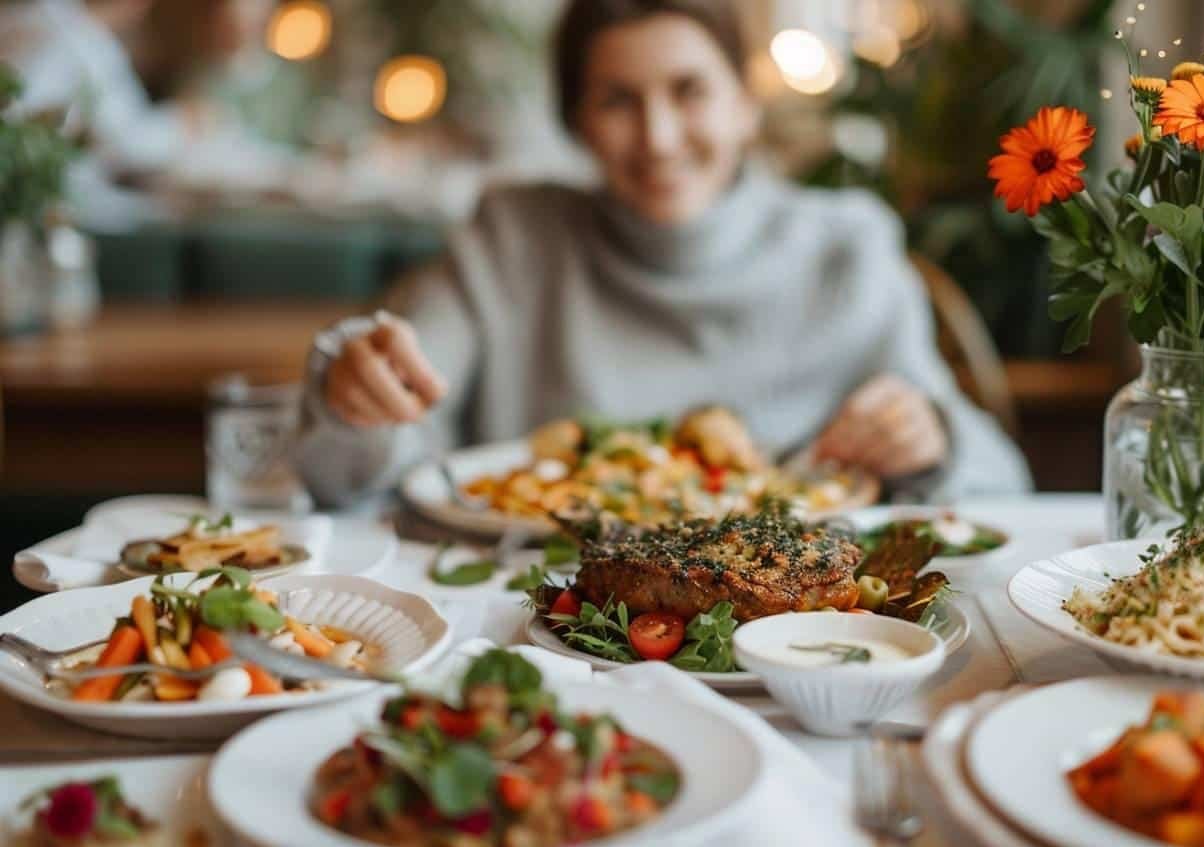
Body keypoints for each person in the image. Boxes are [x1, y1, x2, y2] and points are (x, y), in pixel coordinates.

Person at [295, 0, 1031, 509]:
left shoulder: (849, 244)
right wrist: (356, 402)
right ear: (576, 123)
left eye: (689, 92)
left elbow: (1002, 484)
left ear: (746, 102)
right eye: (617, 100)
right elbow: (365, 461)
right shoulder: (510, 236)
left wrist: (930, 442)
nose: (658, 138)